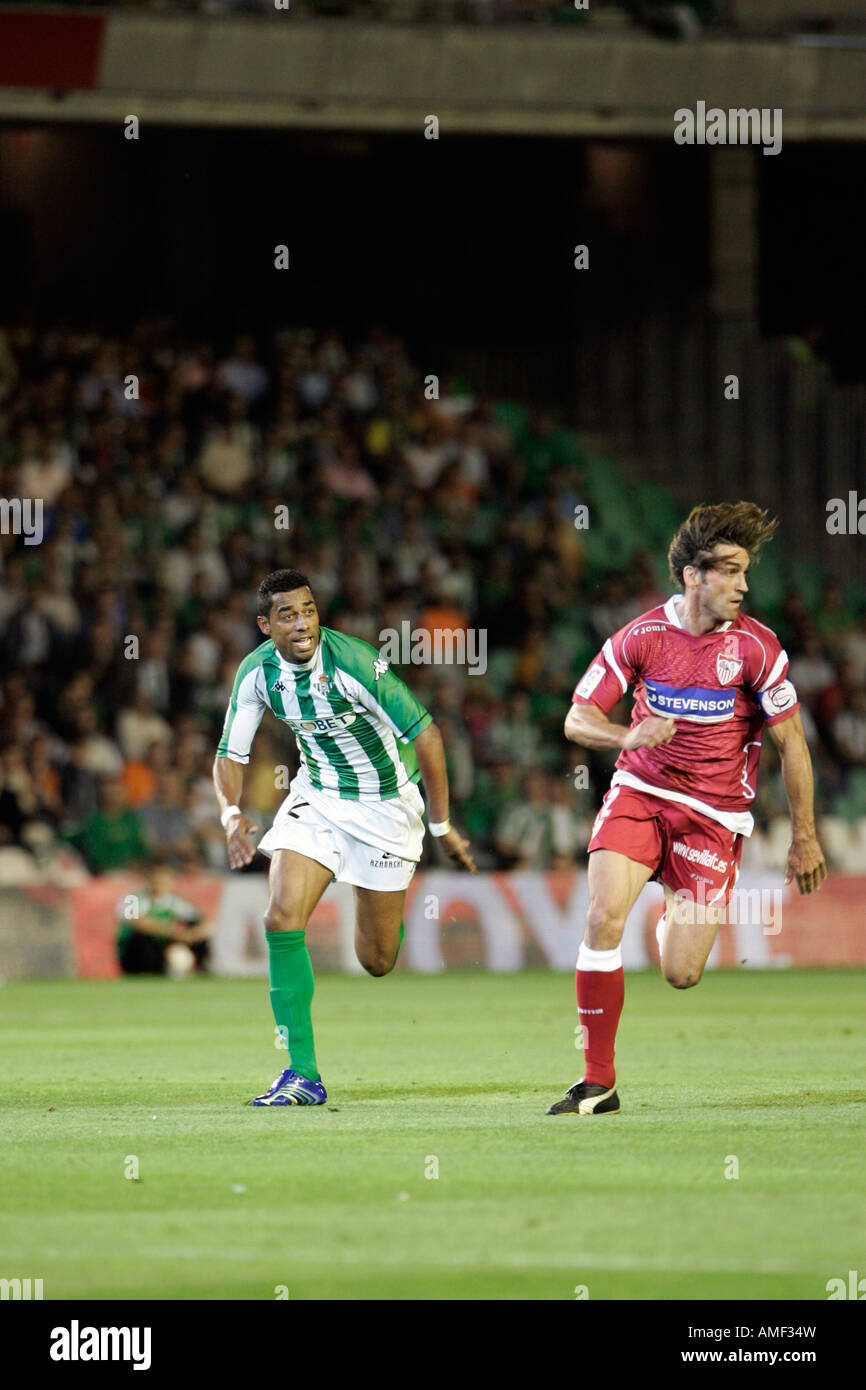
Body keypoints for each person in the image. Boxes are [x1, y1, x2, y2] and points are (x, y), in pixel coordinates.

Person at [547, 502, 827, 1117]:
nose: (744, 585)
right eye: (729, 571)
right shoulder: (641, 637)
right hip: (641, 791)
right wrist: (627, 738)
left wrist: (804, 836)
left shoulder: (758, 649)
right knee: (600, 919)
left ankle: (671, 899)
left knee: (680, 972)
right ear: (692, 576)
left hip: (713, 815)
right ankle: (599, 1080)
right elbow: (577, 718)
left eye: (745, 571)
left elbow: (793, 745)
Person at [213, 567, 476, 1107]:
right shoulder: (257, 674)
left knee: (377, 960)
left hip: (384, 808)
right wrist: (230, 812)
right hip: (318, 799)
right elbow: (230, 754)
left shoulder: (355, 662)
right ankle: (302, 1074)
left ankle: (385, 908)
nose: (303, 622)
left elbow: (426, 735)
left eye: (309, 610)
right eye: (288, 614)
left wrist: (442, 824)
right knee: (280, 916)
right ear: (266, 626)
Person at [117, 856, 212, 976]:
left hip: (163, 946)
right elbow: (137, 923)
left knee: (195, 926)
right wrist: (172, 932)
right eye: (156, 880)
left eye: (163, 880)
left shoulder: (175, 900)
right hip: (134, 952)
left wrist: (193, 934)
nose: (160, 884)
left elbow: (206, 920)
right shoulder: (133, 898)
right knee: (142, 938)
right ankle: (145, 972)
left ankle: (201, 969)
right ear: (149, 879)